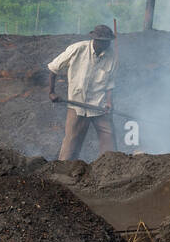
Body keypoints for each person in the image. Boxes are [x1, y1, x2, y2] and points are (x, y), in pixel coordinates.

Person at [47, 24, 117, 162]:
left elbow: (110, 83)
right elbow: (53, 68)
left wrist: (109, 102)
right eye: (105, 41)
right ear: (96, 40)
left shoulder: (112, 56)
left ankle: (110, 165)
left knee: (108, 136)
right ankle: (65, 168)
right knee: (72, 140)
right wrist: (51, 92)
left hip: (99, 104)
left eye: (109, 41)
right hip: (77, 104)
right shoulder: (78, 49)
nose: (108, 44)